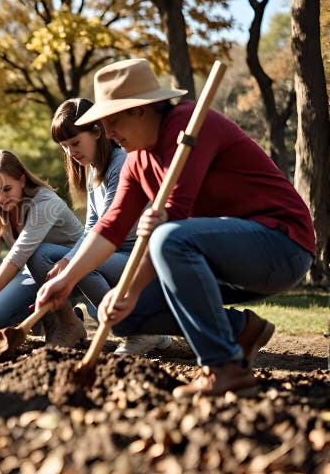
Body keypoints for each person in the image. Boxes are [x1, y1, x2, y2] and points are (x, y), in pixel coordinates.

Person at [37, 58, 315, 397]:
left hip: (280, 245)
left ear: (141, 109)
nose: (108, 133)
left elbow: (174, 222)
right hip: (220, 263)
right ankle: (241, 331)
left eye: (112, 121)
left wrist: (132, 288)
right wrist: (67, 280)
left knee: (168, 239)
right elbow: (110, 227)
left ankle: (223, 368)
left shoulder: (188, 126)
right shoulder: (138, 159)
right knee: (125, 318)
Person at [38, 98, 172, 355]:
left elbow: (106, 225)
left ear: (97, 132)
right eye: (64, 147)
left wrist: (73, 262)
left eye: (75, 143)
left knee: (86, 264)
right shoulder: (91, 169)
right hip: (111, 254)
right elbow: (91, 224)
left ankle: (138, 332)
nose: (71, 153)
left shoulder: (120, 163)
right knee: (43, 254)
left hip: (137, 255)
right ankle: (155, 332)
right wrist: (67, 258)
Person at [0, 150, 83, 345]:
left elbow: (18, 256)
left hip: (74, 267)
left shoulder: (45, 202)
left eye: (7, 189)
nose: (0, 197)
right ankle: (50, 319)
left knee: (37, 254)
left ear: (22, 181)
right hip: (34, 271)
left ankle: (67, 322)